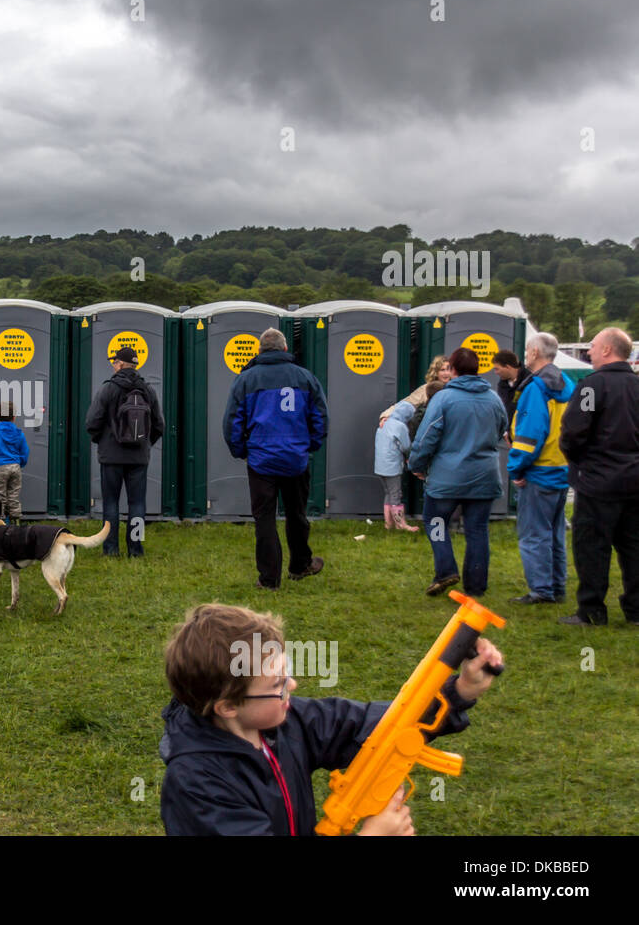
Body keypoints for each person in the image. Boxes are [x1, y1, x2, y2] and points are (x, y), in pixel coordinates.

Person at [158, 603, 502, 835]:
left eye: (286, 672)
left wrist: (460, 691)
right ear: (227, 707)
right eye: (277, 684)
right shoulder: (196, 784)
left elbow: (384, 725)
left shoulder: (285, 720)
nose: (291, 686)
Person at [223, 329, 326, 588]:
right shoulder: (305, 377)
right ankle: (301, 564)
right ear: (284, 349)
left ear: (259, 351)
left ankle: (269, 579)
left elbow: (232, 422)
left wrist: (241, 450)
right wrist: (308, 446)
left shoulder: (245, 379)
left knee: (265, 520)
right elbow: (320, 419)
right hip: (296, 459)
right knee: (296, 513)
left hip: (261, 461)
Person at [407, 347, 506, 597]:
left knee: (436, 521)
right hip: (484, 474)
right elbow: (502, 428)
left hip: (447, 476)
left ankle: (445, 570)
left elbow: (427, 437)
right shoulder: (493, 398)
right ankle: (476, 587)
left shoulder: (443, 399)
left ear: (452, 369)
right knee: (477, 530)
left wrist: (417, 466)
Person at [558, 327, 639, 626]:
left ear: (607, 350)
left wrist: (578, 460)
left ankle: (592, 610)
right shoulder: (636, 385)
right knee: (633, 546)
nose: (588, 352)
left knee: (592, 546)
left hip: (599, 480)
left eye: (592, 346)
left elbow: (575, 431)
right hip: (634, 479)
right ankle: (636, 610)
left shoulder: (593, 386)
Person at [506, 333, 574, 606]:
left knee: (534, 535)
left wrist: (516, 470)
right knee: (555, 534)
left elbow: (529, 436)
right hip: (562, 470)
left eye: (526, 350)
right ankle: (557, 587)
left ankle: (541, 591)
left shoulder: (536, 388)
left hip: (537, 472)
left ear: (534, 352)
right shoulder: (568, 383)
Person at [84, 345, 165, 557]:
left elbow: (92, 422)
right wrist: (145, 444)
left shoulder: (108, 389)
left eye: (114, 362)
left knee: (110, 504)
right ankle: (136, 550)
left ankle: (110, 550)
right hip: (138, 457)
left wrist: (101, 441)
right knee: (137, 505)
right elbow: (159, 425)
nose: (113, 366)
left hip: (111, 457)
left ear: (120, 364)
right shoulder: (148, 390)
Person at [373, 400, 418, 532]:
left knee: (388, 493)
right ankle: (401, 524)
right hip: (392, 466)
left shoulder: (384, 423)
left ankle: (389, 524)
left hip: (380, 465)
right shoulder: (400, 426)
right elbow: (406, 446)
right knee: (396, 495)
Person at [379, 356, 453, 427]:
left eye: (448, 369)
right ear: (435, 372)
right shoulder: (426, 389)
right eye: (442, 370)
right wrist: (386, 415)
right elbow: (406, 403)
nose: (446, 373)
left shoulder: (455, 388)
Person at [491, 349, 531, 440]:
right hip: (509, 436)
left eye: (497, 369)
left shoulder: (530, 381)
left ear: (508, 367)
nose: (495, 372)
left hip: (525, 434)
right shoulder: (502, 385)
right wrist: (506, 432)